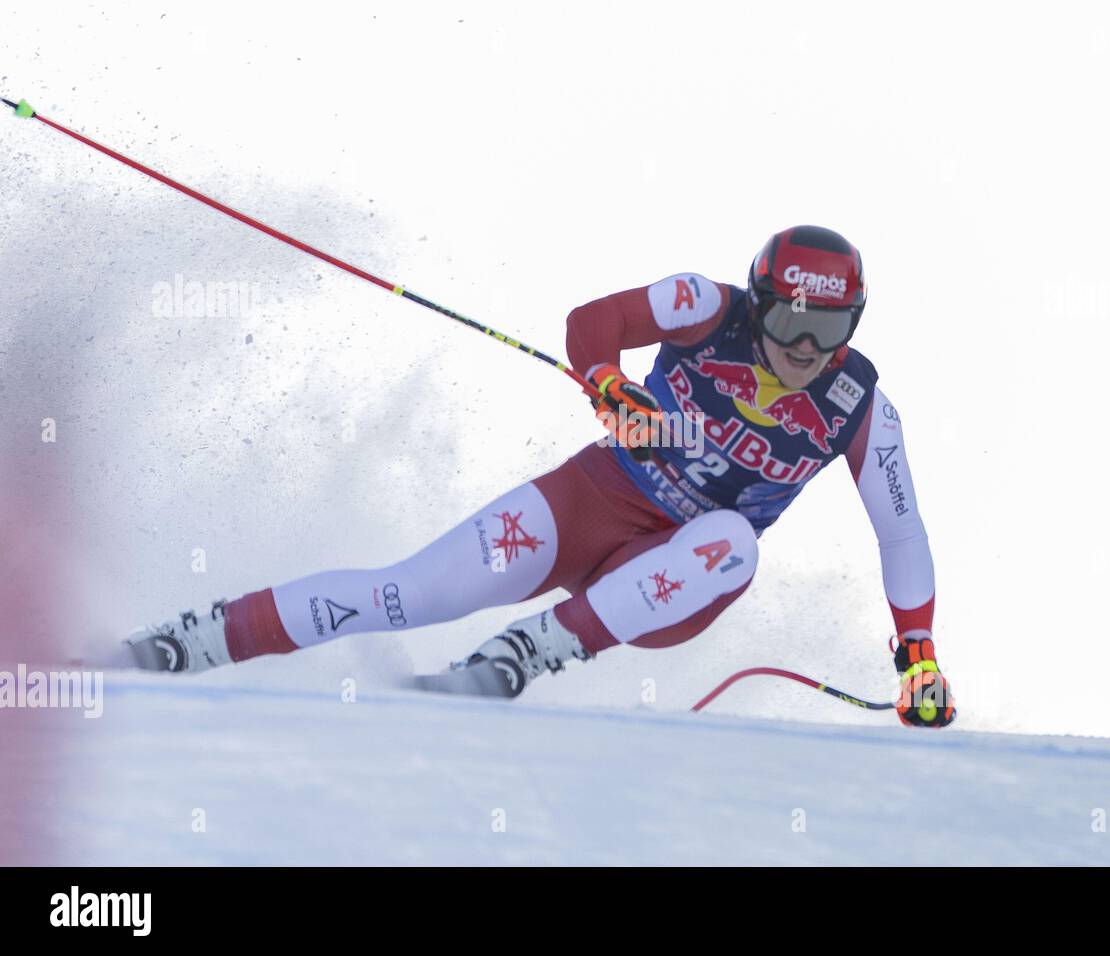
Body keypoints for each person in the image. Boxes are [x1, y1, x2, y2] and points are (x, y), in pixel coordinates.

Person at [129, 225, 955, 727]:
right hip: (594, 500)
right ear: (759, 300)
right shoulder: (707, 305)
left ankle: (527, 655)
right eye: (787, 321)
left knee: (735, 540)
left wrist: (917, 653)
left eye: (829, 329)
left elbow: (902, 531)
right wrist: (608, 383)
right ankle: (187, 642)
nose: (804, 348)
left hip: (670, 576)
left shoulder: (862, 408)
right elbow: (595, 322)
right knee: (405, 593)